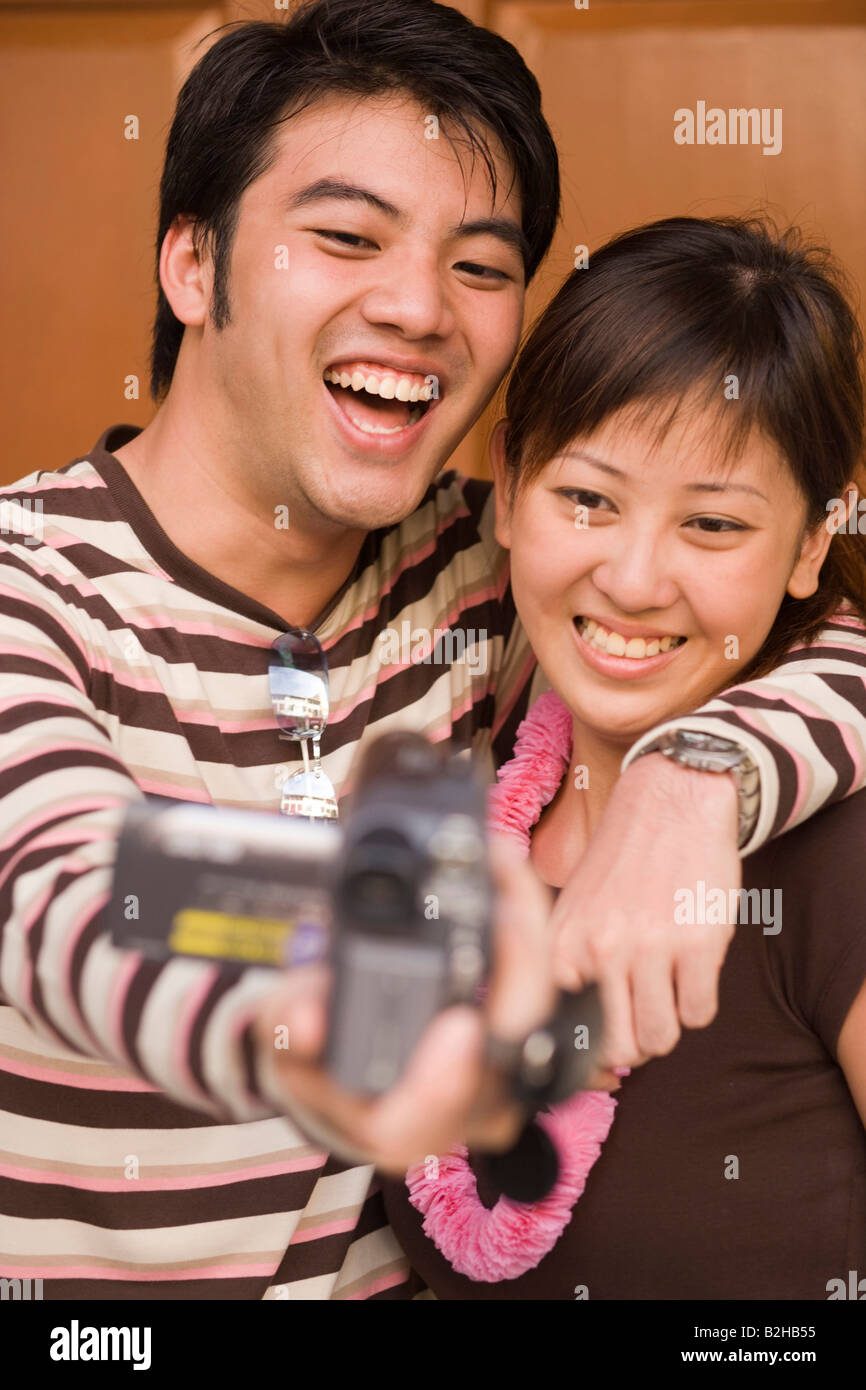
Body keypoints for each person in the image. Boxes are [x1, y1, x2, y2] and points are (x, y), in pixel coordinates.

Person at [1, 1, 865, 1301]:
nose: (414, 306)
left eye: (478, 264)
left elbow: (772, 605)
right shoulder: (30, 585)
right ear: (193, 263)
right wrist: (321, 999)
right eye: (344, 237)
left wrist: (700, 771)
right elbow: (74, 897)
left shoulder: (491, 564)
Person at [381, 214, 866, 1299]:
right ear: (507, 487)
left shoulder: (839, 849)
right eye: (587, 499)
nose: (635, 580)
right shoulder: (472, 773)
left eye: (712, 526)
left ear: (807, 547)